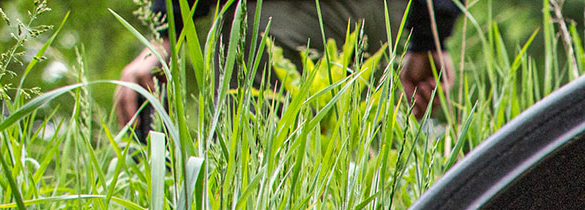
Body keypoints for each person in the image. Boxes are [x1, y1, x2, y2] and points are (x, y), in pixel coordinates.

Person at [112, 0, 459, 129]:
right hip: (381, 14)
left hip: (283, 18)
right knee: (354, 182)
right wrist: (431, 34)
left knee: (254, 185)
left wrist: (165, 32)